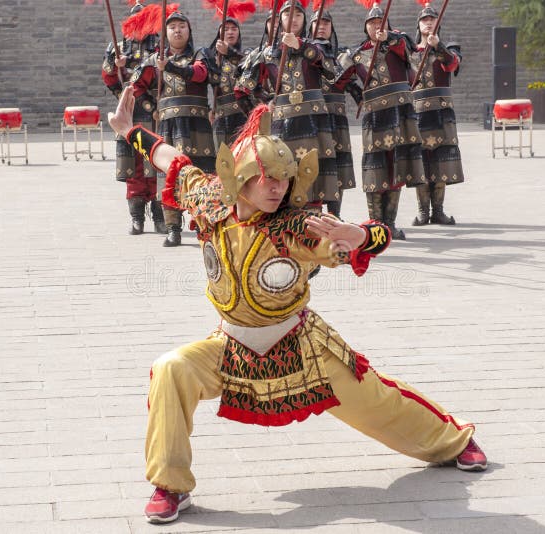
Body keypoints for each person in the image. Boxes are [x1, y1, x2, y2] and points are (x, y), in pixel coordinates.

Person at [107, 86, 488, 525]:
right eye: (266, 178)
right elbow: (170, 158)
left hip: (302, 348)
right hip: (230, 347)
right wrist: (127, 130)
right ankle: (170, 485)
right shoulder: (210, 200)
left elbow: (348, 242)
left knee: (378, 402)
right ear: (239, 178)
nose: (277, 187)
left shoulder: (294, 225)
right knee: (171, 368)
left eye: (285, 178)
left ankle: (454, 441)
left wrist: (361, 237)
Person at [236, 0, 340, 210]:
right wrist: (264, 106)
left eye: (298, 16)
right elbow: (243, 89)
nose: (292, 19)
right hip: (282, 122)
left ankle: (314, 222)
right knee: (282, 170)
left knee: (313, 170)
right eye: (287, 15)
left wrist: (301, 46)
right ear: (279, 20)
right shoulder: (266, 54)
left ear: (304, 20)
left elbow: (333, 74)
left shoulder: (317, 47)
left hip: (313, 120)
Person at [336, 3, 424, 240]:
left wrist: (390, 38)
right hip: (375, 115)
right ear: (366, 27)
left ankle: (390, 224)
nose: (377, 26)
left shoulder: (399, 43)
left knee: (396, 164)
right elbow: (337, 78)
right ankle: (376, 224)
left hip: (399, 112)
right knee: (376, 168)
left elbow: (411, 53)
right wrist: (357, 93)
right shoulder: (357, 52)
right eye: (372, 23)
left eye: (381, 22)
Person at [137, 6, 216, 246]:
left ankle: (205, 223)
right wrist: (152, 108)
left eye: (181, 27)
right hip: (168, 123)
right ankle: (173, 228)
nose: (177, 31)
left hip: (196, 124)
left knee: (201, 174)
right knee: (169, 174)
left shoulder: (200, 54)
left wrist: (168, 67)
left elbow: (200, 75)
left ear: (189, 31)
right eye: (172, 27)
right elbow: (137, 85)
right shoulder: (154, 59)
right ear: (165, 33)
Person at [101, 1, 165, 235]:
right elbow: (109, 80)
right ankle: (137, 218)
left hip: (155, 111)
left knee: (157, 163)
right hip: (129, 111)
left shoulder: (161, 45)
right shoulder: (118, 47)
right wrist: (114, 66)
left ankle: (160, 216)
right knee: (134, 166)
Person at [409, 1, 464, 225]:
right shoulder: (410, 52)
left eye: (432, 19)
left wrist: (438, 46)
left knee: (440, 163)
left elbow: (451, 65)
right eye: (424, 19)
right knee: (421, 163)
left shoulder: (448, 49)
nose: (428, 22)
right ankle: (423, 211)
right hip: (418, 113)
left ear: (437, 23)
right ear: (419, 24)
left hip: (441, 112)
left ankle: (438, 211)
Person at [309, 9, 358, 218]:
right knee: (316, 165)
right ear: (310, 27)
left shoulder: (341, 54)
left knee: (335, 166)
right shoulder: (305, 53)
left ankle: (335, 215)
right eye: (318, 23)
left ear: (332, 27)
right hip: (312, 117)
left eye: (326, 23)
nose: (322, 26)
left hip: (336, 116)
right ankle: (315, 215)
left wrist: (361, 95)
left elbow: (353, 84)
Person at [210, 16, 251, 149]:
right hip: (221, 117)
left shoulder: (248, 54)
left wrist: (229, 52)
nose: (230, 32)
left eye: (234, 29)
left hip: (244, 114)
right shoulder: (211, 59)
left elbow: (247, 65)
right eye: (226, 29)